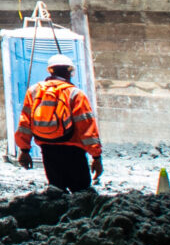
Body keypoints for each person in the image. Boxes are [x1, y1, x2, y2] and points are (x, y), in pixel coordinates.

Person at [14, 54, 103, 191]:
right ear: (69, 72)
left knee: (56, 192)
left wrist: (24, 150)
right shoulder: (75, 94)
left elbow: (25, 124)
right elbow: (87, 128)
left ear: (50, 71)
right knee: (82, 194)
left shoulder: (34, 91)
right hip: (74, 152)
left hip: (48, 150)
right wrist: (96, 156)